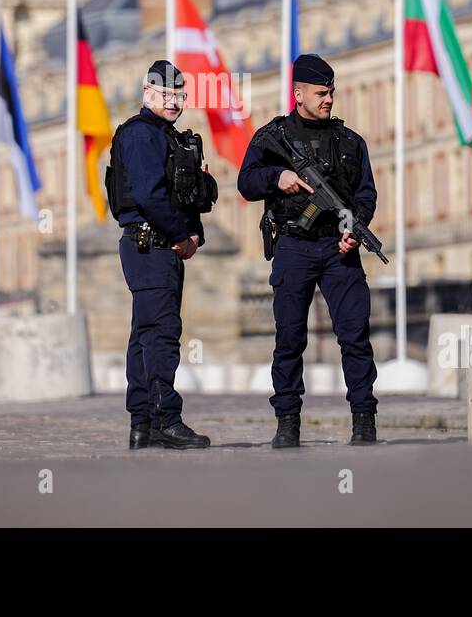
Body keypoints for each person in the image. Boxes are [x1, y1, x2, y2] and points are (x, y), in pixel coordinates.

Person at [237, 53, 379, 448]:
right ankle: (287, 421)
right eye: (320, 92)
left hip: (338, 249)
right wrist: (277, 176)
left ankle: (364, 419)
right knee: (289, 337)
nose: (328, 99)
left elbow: (365, 194)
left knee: (354, 336)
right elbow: (246, 182)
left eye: (331, 92)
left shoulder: (350, 142)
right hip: (293, 246)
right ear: (298, 93)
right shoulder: (273, 137)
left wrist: (355, 228)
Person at [106, 59, 216, 450]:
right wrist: (182, 234)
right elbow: (151, 197)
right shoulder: (140, 135)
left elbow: (185, 195)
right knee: (161, 334)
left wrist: (195, 233)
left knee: (145, 333)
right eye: (167, 94)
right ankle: (166, 419)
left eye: (179, 95)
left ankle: (144, 423)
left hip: (158, 245)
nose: (174, 102)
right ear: (148, 93)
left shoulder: (168, 137)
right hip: (149, 244)